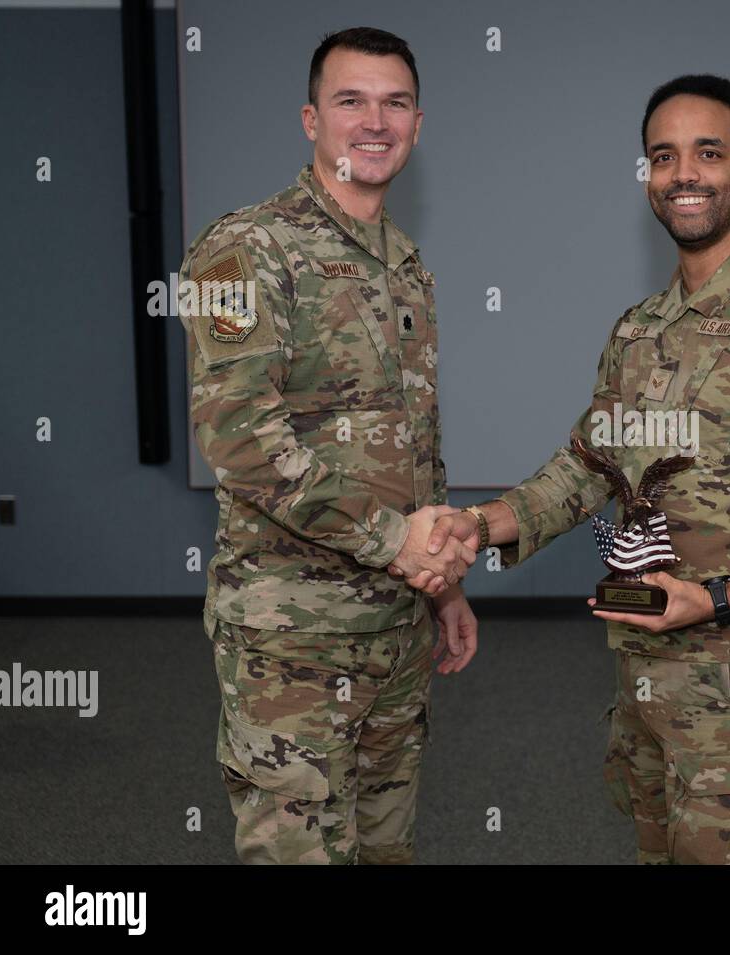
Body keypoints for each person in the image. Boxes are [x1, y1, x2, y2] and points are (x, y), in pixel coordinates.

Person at [413, 74, 730, 864]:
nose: (683, 175)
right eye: (662, 156)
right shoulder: (638, 332)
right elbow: (584, 470)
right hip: (640, 676)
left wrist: (718, 598)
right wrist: (478, 525)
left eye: (709, 153)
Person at [179, 26, 478, 864]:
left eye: (395, 103)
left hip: (394, 632)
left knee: (386, 850)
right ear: (312, 120)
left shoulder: (407, 267)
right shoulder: (246, 249)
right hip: (292, 646)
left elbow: (416, 442)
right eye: (352, 101)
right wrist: (396, 544)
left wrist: (440, 584)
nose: (374, 121)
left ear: (418, 123)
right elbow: (241, 441)